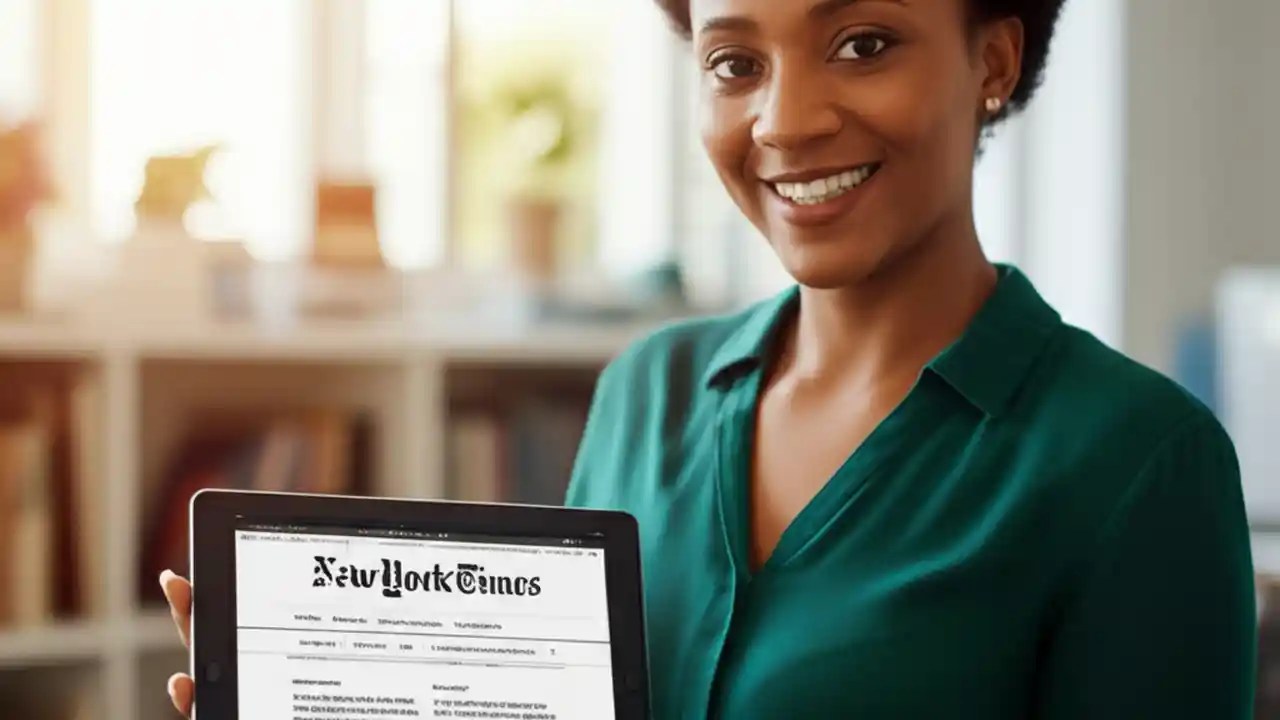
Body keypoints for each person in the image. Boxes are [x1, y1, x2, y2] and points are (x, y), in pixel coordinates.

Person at [161, 0, 1257, 716]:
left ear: (993, 60)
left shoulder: (1137, 465)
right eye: (733, 62)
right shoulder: (647, 390)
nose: (781, 121)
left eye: (861, 43)